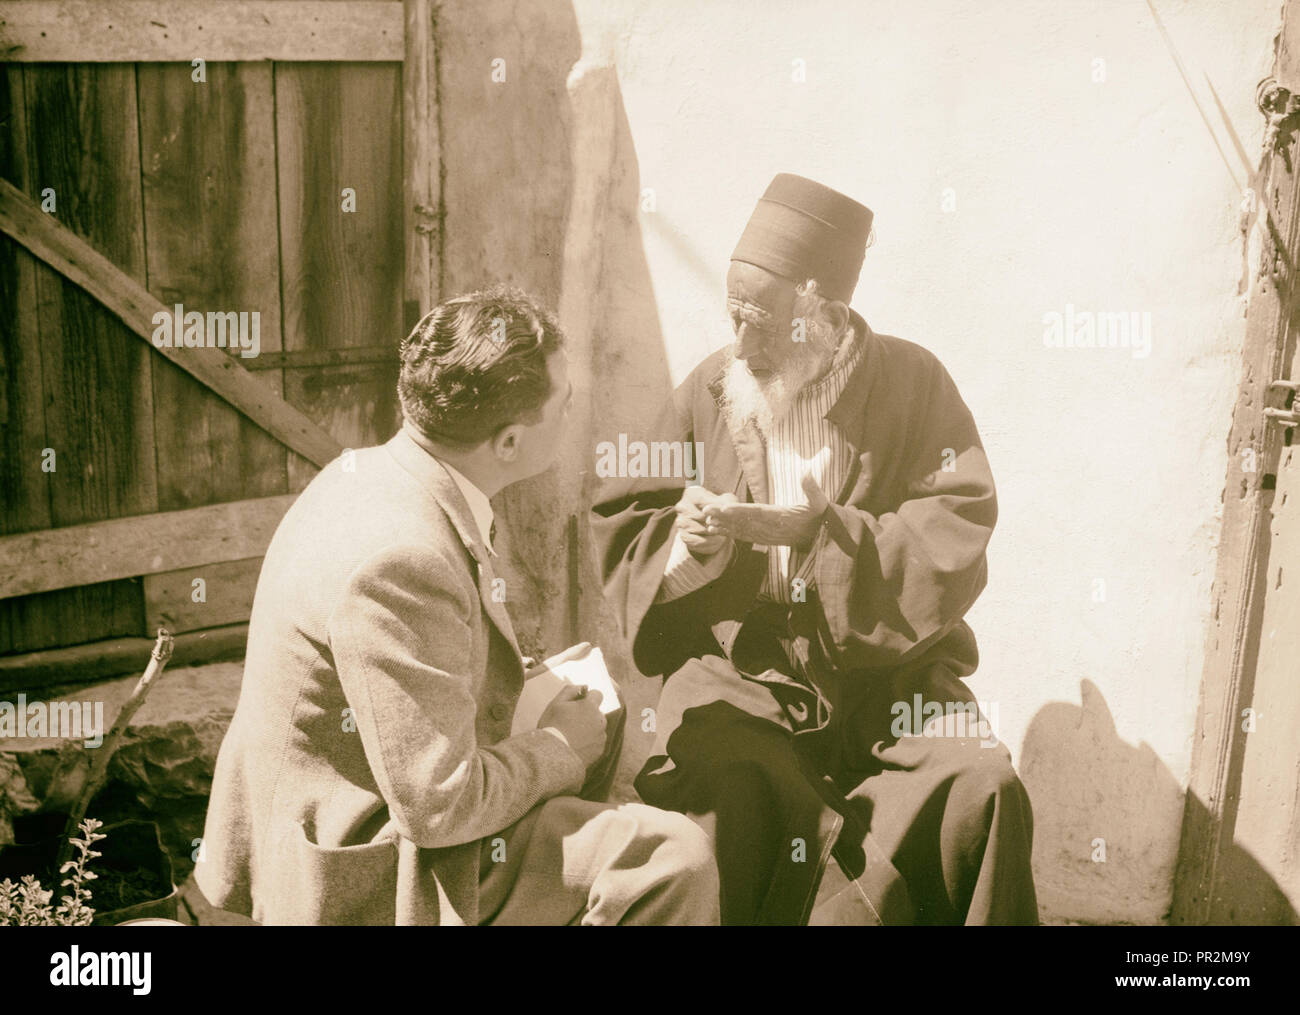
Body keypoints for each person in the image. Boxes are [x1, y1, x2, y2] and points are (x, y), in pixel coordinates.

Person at [590, 174, 1039, 925]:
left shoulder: (914, 382)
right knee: (730, 783)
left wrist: (823, 538)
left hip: (889, 675)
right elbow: (632, 513)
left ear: (824, 317)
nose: (742, 343)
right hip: (739, 668)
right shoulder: (712, 386)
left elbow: (955, 523)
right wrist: (688, 550)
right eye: (734, 318)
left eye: (762, 322)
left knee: (981, 782)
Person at [196, 285, 719, 925]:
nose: (571, 414)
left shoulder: (369, 473)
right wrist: (559, 743)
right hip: (354, 870)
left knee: (592, 722)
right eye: (563, 404)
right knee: (671, 856)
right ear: (507, 443)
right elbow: (437, 805)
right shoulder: (400, 560)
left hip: (346, 808)